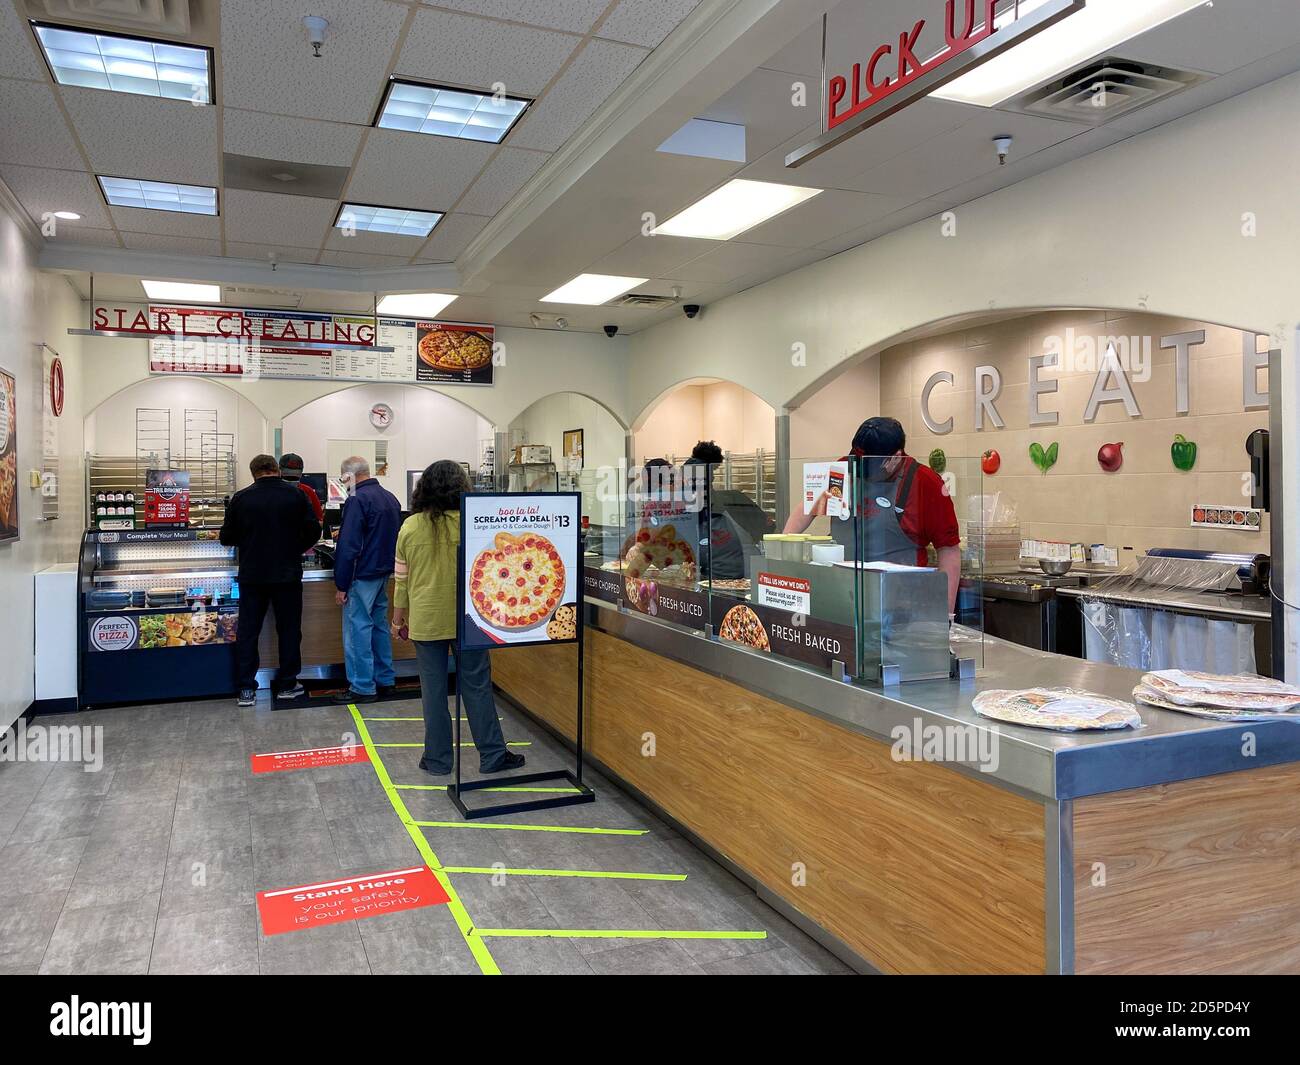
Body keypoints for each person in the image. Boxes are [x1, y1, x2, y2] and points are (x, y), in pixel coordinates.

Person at [391, 461, 524, 775]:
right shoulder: (473, 523)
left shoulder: (410, 527)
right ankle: (493, 755)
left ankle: (437, 760)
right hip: (470, 619)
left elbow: (401, 580)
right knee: (476, 686)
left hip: (426, 620)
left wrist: (398, 621)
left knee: (433, 692)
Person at [784, 417, 961, 611]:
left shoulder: (926, 483)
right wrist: (782, 547)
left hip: (900, 608)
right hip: (842, 598)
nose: (862, 473)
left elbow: (949, 551)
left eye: (870, 467)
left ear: (896, 456)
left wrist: (947, 615)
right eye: (859, 464)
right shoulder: (846, 467)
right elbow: (807, 508)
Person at [220, 454, 321, 706]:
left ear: (253, 472)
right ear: (276, 469)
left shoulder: (241, 498)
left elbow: (226, 536)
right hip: (287, 573)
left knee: (248, 632)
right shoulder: (296, 496)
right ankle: (287, 684)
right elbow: (314, 530)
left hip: (253, 574)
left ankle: (246, 689)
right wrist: (294, 548)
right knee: (288, 630)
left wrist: (249, 540)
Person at [333, 456, 402, 703]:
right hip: (384, 573)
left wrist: (341, 584)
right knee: (379, 626)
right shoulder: (390, 497)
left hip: (361, 576)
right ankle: (386, 680)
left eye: (343, 479)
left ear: (350, 476)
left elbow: (348, 546)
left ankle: (362, 686)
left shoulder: (356, 500)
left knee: (357, 629)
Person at [683, 440, 773, 580]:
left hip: (745, 579)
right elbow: (767, 530)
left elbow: (768, 531)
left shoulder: (734, 502)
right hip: (723, 582)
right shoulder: (691, 513)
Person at [278, 452, 324, 523]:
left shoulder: (272, 490)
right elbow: (320, 520)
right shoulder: (308, 491)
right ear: (301, 473)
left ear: (280, 471)